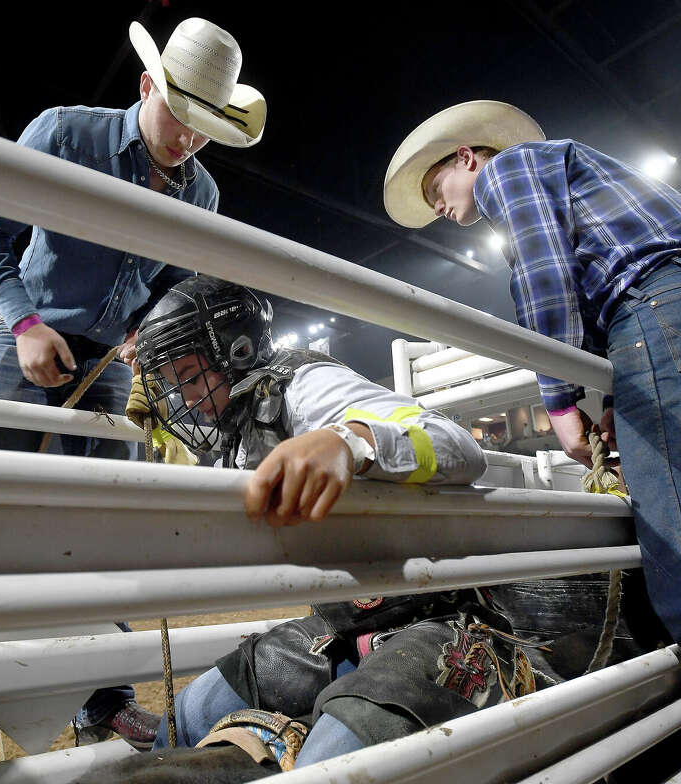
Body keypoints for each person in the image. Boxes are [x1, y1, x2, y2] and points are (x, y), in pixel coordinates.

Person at [383, 101, 681, 782]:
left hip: (672, 325)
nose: (447, 210)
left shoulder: (511, 169)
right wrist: (620, 393)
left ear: (468, 157)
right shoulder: (590, 173)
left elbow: (546, 274)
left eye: (440, 192)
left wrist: (560, 398)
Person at [0, 18, 266, 784]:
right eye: (181, 117)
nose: (189, 142)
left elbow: (171, 285)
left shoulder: (206, 190)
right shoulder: (63, 134)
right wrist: (24, 322)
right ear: (146, 85)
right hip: (26, 336)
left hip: (111, 361)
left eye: (206, 129)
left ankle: (105, 694)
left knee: (104, 518)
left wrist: (144, 330)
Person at [97, 274, 509, 776]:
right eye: (173, 383)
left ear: (237, 351)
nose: (185, 398)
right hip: (341, 628)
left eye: (189, 375)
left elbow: (459, 447)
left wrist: (350, 442)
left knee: (328, 762)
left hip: (439, 619)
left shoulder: (306, 384)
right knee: (183, 721)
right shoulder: (240, 434)